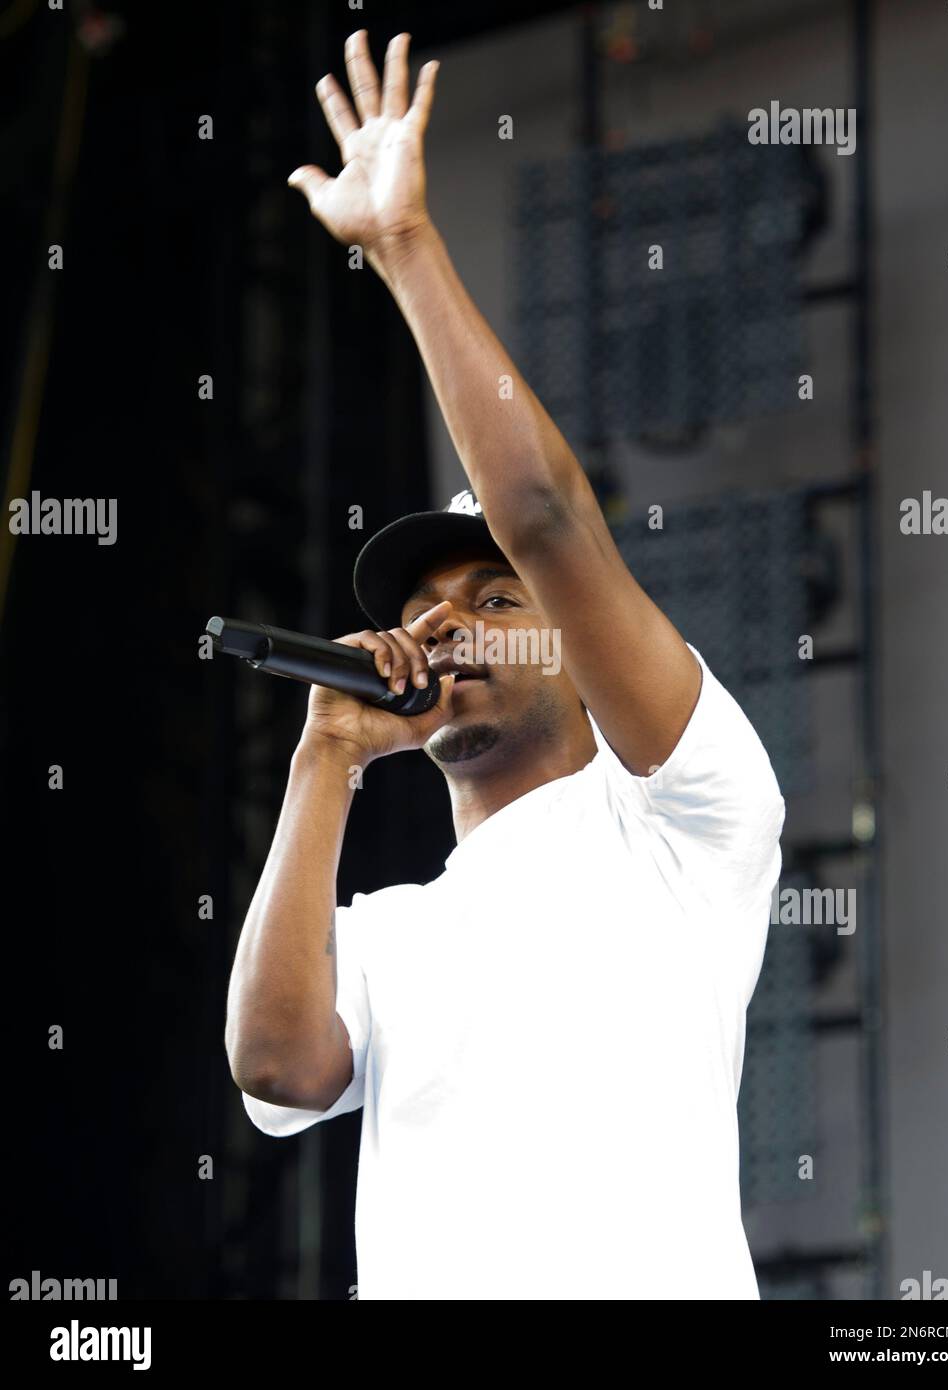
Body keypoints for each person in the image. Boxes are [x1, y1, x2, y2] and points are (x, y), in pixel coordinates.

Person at [225, 30, 785, 1300]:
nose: (448, 624)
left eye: (490, 600)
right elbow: (274, 1064)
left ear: (576, 651)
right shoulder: (386, 935)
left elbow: (545, 517)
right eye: (425, 612)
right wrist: (324, 758)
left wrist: (403, 245)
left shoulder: (687, 822)